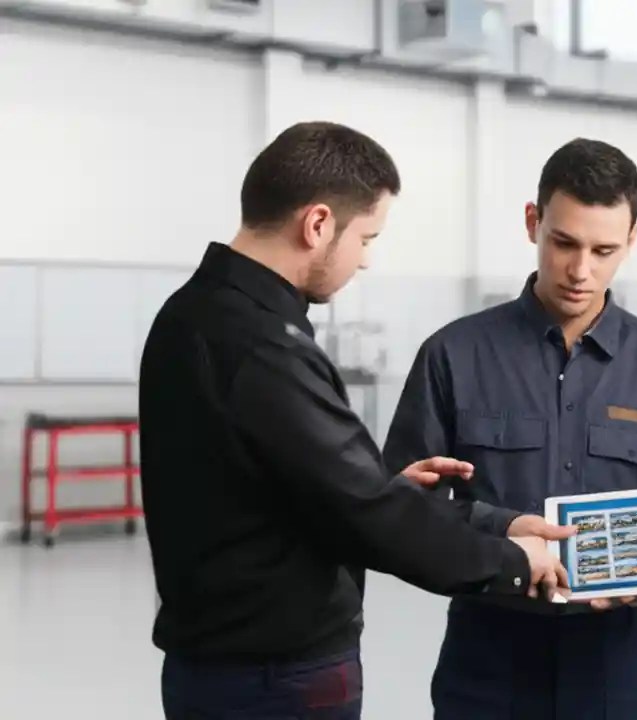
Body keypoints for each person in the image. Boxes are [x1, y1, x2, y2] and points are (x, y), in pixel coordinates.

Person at [138, 121, 567, 720]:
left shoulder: (189, 314)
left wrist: (376, 485)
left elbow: (278, 480)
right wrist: (513, 560)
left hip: (213, 664)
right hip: (277, 679)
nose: (365, 259)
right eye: (366, 237)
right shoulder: (265, 347)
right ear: (317, 225)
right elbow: (368, 515)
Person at [383, 137, 637, 719]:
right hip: (486, 653)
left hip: (615, 660)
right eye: (564, 242)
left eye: (604, 250)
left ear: (632, 241)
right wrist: (502, 530)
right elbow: (399, 506)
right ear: (532, 222)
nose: (580, 270)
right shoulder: (454, 355)